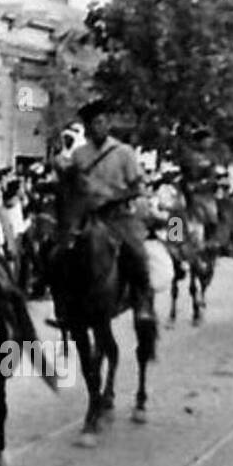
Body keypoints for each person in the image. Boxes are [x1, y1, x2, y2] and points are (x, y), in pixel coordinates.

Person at [56, 98, 156, 328]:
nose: (95, 127)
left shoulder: (124, 152)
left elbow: (138, 186)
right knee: (60, 253)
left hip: (118, 216)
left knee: (137, 252)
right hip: (88, 217)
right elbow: (71, 182)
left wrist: (113, 197)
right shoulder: (79, 154)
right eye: (91, 124)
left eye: (100, 122)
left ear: (107, 123)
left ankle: (142, 303)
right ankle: (64, 306)